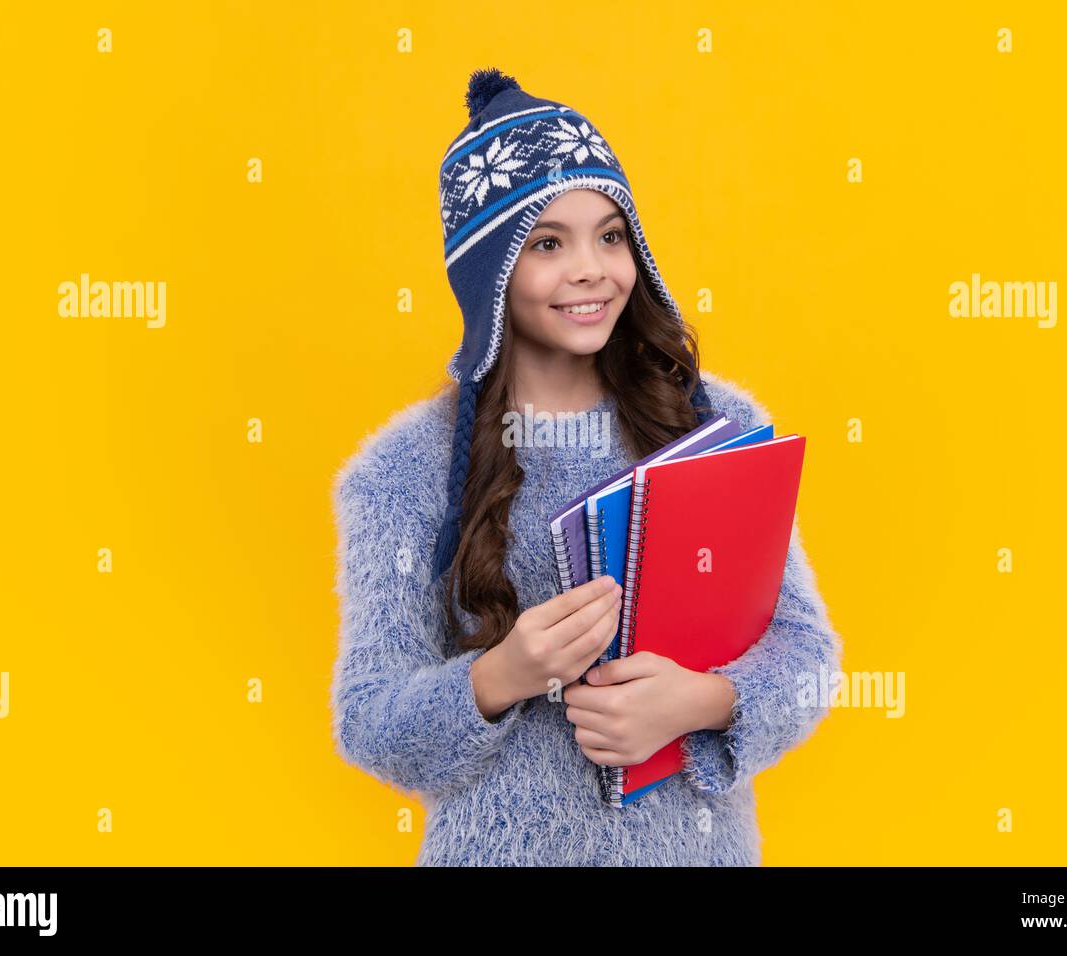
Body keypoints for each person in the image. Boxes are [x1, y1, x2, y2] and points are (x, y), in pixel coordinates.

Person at [329, 68, 842, 866]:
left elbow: (808, 654)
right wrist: (501, 675)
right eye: (546, 243)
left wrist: (701, 702)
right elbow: (367, 719)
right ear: (488, 270)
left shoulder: (714, 424)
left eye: (610, 235)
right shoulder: (401, 475)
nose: (591, 270)